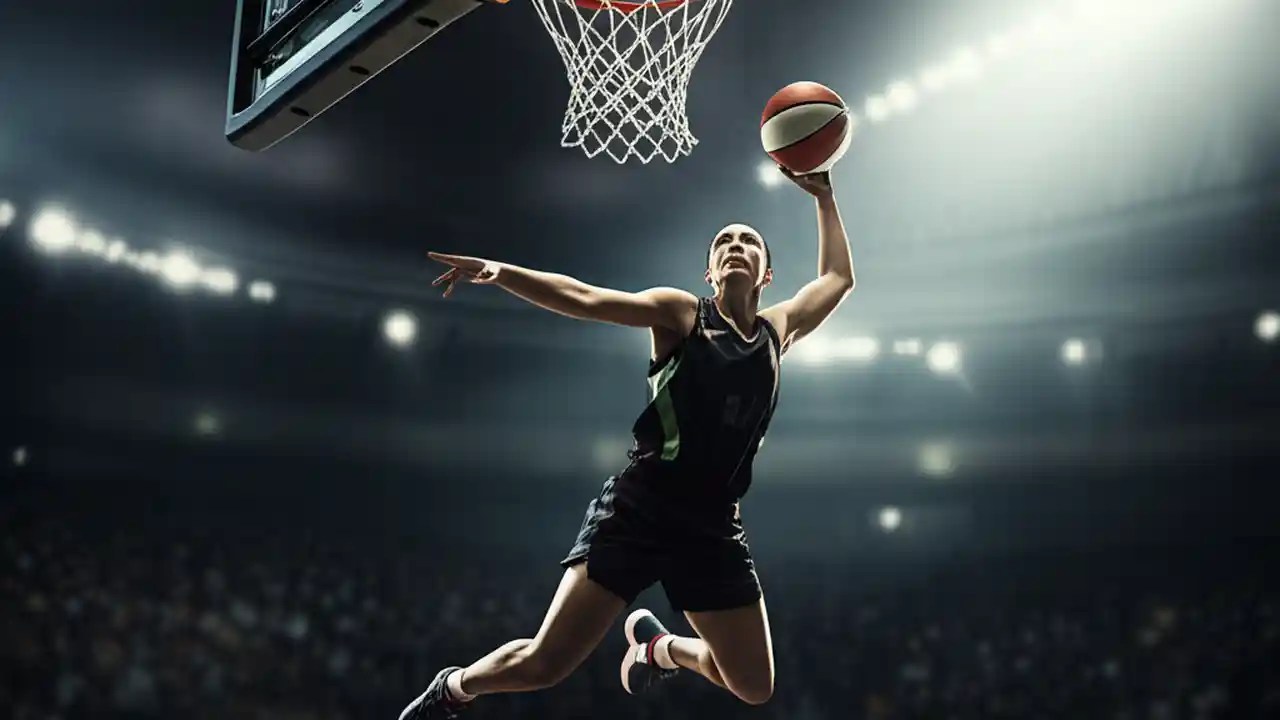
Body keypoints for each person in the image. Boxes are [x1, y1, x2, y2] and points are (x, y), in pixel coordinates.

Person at [399, 167, 855, 719]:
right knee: (545, 664)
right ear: (709, 271)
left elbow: (835, 278)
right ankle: (454, 688)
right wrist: (502, 272)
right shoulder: (681, 313)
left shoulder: (777, 331)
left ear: (767, 273)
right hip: (641, 508)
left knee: (755, 685)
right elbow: (586, 297)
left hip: (712, 525)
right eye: (723, 242)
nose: (736, 245)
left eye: (749, 241)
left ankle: (661, 649)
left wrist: (825, 197)